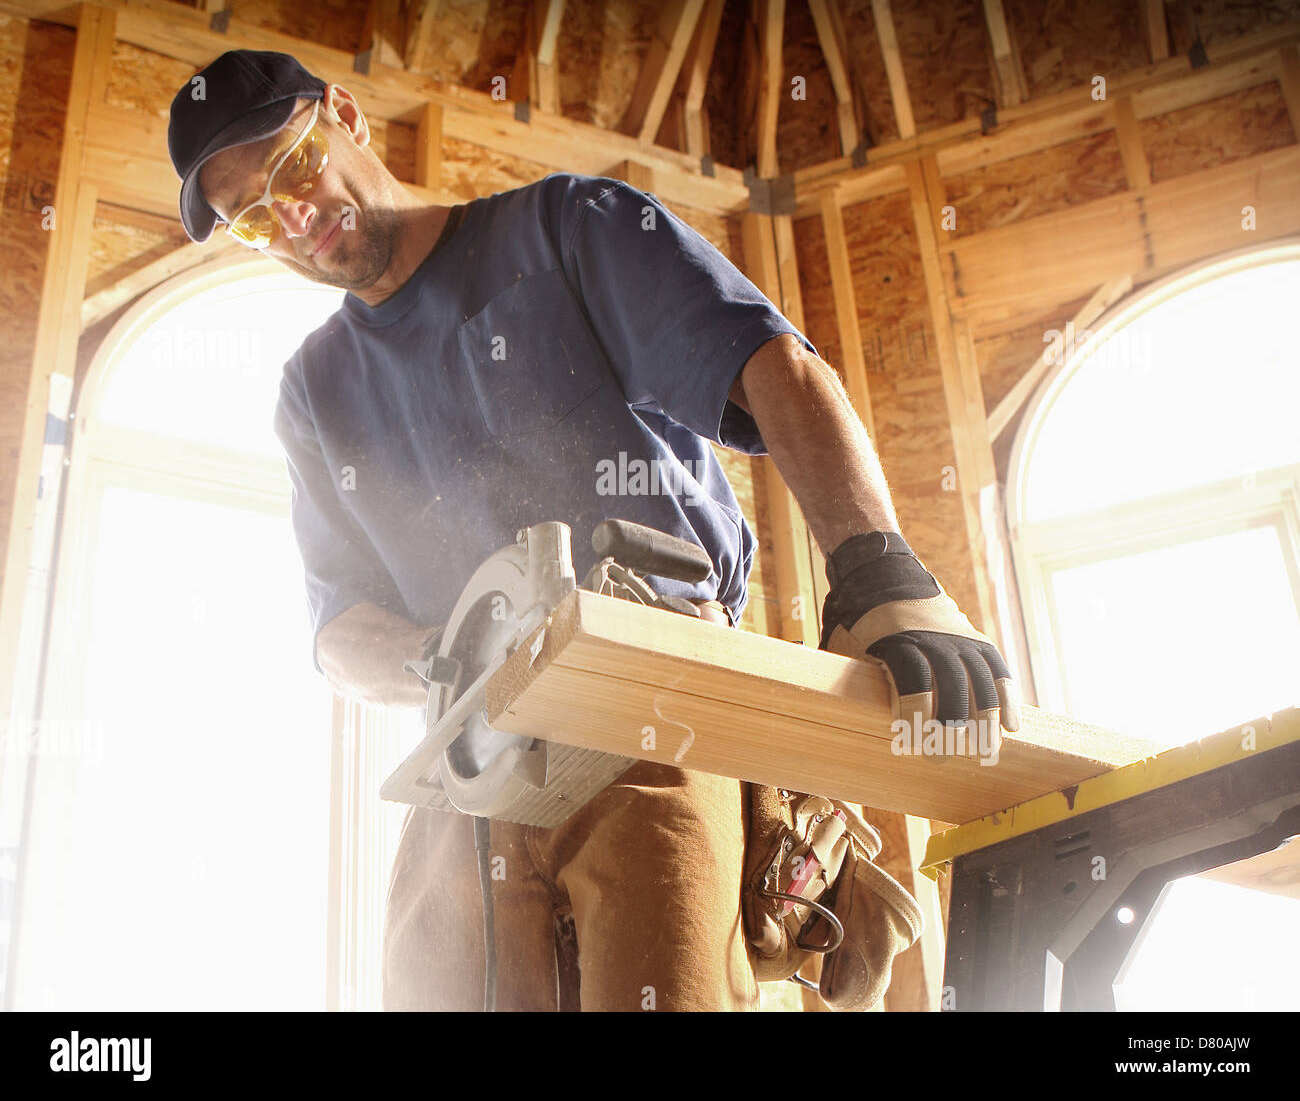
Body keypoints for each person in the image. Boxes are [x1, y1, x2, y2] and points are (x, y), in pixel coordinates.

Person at [167, 50, 1020, 1012]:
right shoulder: (313, 391)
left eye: (292, 169)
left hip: (655, 691)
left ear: (347, 116)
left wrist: (877, 568)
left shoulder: (564, 227)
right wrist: (445, 656)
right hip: (473, 755)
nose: (291, 217)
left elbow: (774, 366)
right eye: (251, 216)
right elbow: (336, 635)